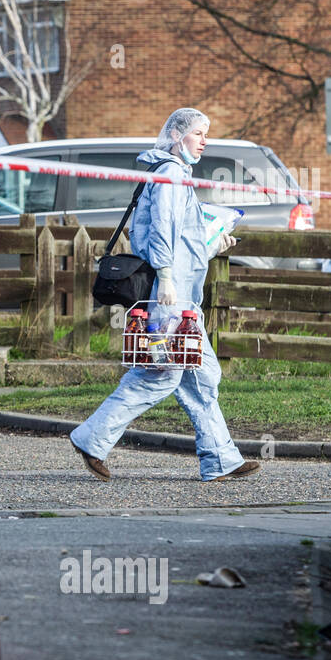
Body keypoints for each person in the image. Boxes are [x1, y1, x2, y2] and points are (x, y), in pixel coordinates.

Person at [69, 107, 259, 483]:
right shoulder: (171, 173)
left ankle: (221, 459)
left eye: (207, 134)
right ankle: (92, 438)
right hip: (169, 298)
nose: (205, 141)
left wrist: (214, 245)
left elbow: (184, 240)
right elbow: (161, 231)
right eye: (199, 133)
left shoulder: (174, 175)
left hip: (180, 295)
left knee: (200, 375)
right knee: (159, 374)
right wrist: (168, 278)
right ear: (176, 135)